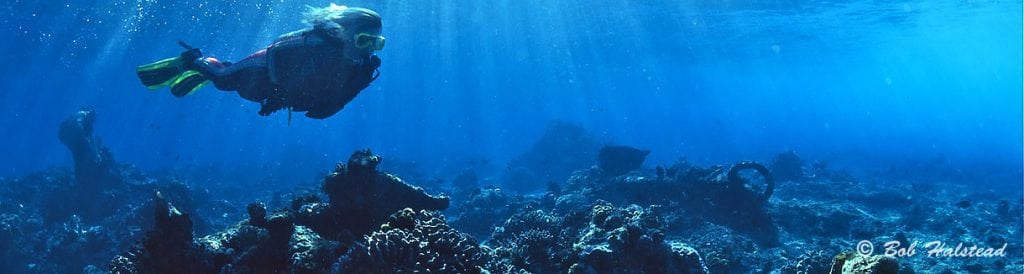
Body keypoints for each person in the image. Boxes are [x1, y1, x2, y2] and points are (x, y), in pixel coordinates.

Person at [136, 4, 385, 119]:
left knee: (227, 80)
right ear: (341, 32)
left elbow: (336, 96)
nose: (368, 50)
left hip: (274, 93)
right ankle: (194, 60)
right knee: (224, 79)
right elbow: (276, 50)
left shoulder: (359, 67)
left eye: (376, 43)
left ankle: (212, 66)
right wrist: (279, 92)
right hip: (259, 71)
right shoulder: (317, 45)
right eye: (363, 41)